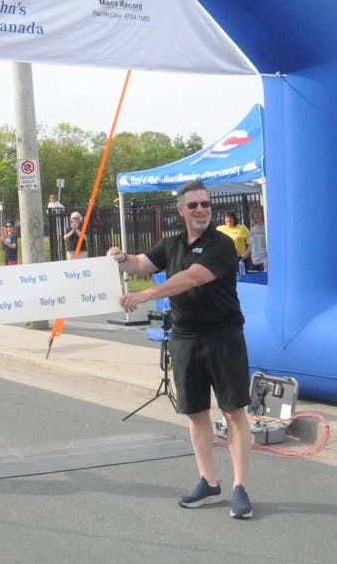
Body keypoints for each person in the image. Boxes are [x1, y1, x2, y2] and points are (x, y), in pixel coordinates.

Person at [107, 180, 254, 520]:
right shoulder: (171, 243)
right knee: (196, 412)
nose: (202, 209)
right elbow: (143, 263)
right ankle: (208, 480)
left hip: (223, 335)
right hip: (185, 337)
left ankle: (239, 487)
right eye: (194, 205)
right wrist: (122, 258)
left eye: (206, 204)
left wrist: (145, 295)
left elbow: (192, 278)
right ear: (182, 210)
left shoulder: (222, 244)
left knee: (233, 412)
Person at [243, 205, 266, 272]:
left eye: (258, 212)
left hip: (265, 262)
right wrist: (240, 258)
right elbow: (250, 249)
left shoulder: (267, 228)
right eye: (254, 213)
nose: (256, 215)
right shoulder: (252, 230)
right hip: (254, 263)